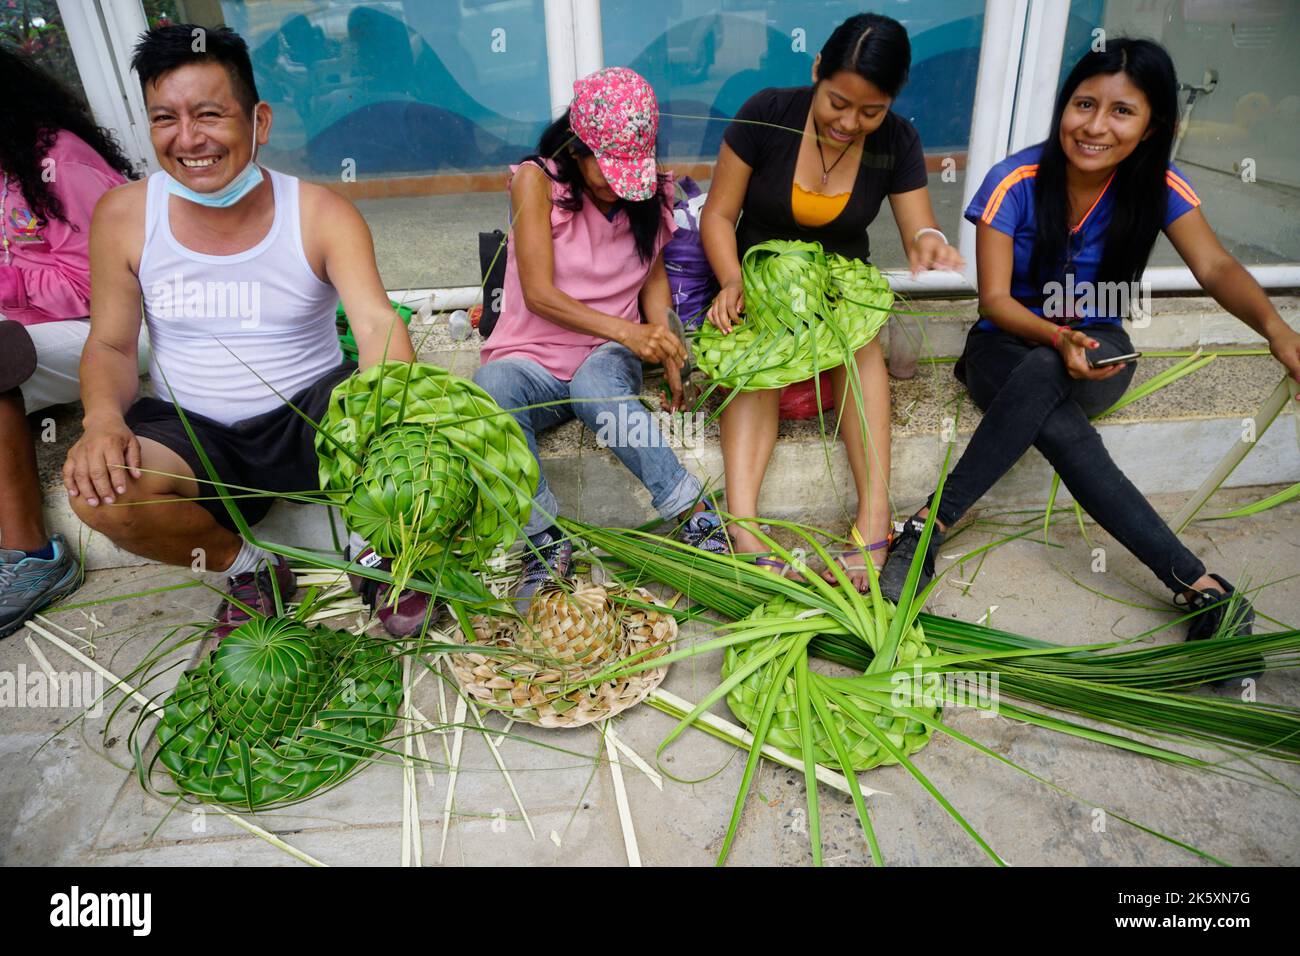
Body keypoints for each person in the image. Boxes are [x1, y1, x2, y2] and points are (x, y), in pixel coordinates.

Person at [879, 39, 1300, 642]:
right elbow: (994, 301)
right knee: (1051, 391)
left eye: (1122, 111)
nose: (1095, 125)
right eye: (1084, 104)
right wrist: (1056, 336)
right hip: (1003, 346)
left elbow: (1216, 269)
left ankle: (923, 529)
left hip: (1098, 346)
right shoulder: (1015, 181)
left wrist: (1278, 331)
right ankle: (1193, 580)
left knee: (1056, 376)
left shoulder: (1159, 186)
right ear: (1063, 107)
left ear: (1154, 125)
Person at [62, 24, 422, 639]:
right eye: (164, 119)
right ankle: (252, 568)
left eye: (208, 114)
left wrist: (392, 403)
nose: (188, 139)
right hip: (193, 435)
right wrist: (101, 422)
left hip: (313, 420)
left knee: (403, 410)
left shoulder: (319, 212)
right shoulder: (124, 216)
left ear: (259, 121)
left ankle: (379, 550)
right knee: (99, 494)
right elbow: (113, 344)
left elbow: (376, 321)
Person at [700, 13, 963, 591]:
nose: (850, 123)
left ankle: (873, 523)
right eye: (838, 103)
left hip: (838, 296)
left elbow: (920, 226)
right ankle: (743, 530)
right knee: (762, 343)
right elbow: (717, 215)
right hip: (760, 285)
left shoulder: (898, 139)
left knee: (860, 338)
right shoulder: (765, 113)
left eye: (871, 111)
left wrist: (931, 244)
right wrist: (731, 282)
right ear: (817, 70)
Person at [473, 67, 727, 607]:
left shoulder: (649, 190)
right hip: (533, 359)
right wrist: (630, 332)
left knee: (596, 387)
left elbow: (653, 281)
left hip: (604, 358)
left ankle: (691, 512)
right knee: (490, 389)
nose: (616, 184)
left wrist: (665, 341)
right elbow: (539, 293)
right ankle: (543, 538)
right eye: (605, 169)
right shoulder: (536, 181)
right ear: (576, 144)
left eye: (627, 172)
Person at [0, 46, 141, 638]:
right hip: (31, 337)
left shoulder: (61, 160)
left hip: (115, 331)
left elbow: (101, 284)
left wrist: (8, 278)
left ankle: (34, 560)